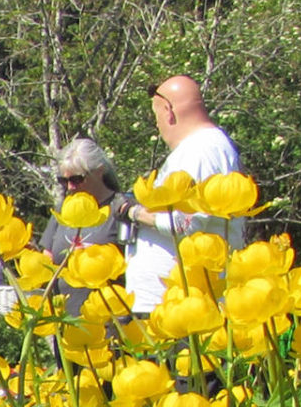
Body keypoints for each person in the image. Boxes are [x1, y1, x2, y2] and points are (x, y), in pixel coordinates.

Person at [123, 76, 243, 313]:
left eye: (156, 116)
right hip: (170, 305)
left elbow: (186, 222)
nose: (157, 125)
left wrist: (132, 212)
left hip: (185, 307)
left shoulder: (201, 150)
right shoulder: (200, 148)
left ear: (168, 111)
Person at [36, 137, 134, 314]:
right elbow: (47, 259)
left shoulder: (122, 208)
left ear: (99, 171)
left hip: (111, 320)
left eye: (77, 179)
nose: (70, 187)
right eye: (63, 181)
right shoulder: (65, 209)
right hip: (68, 321)